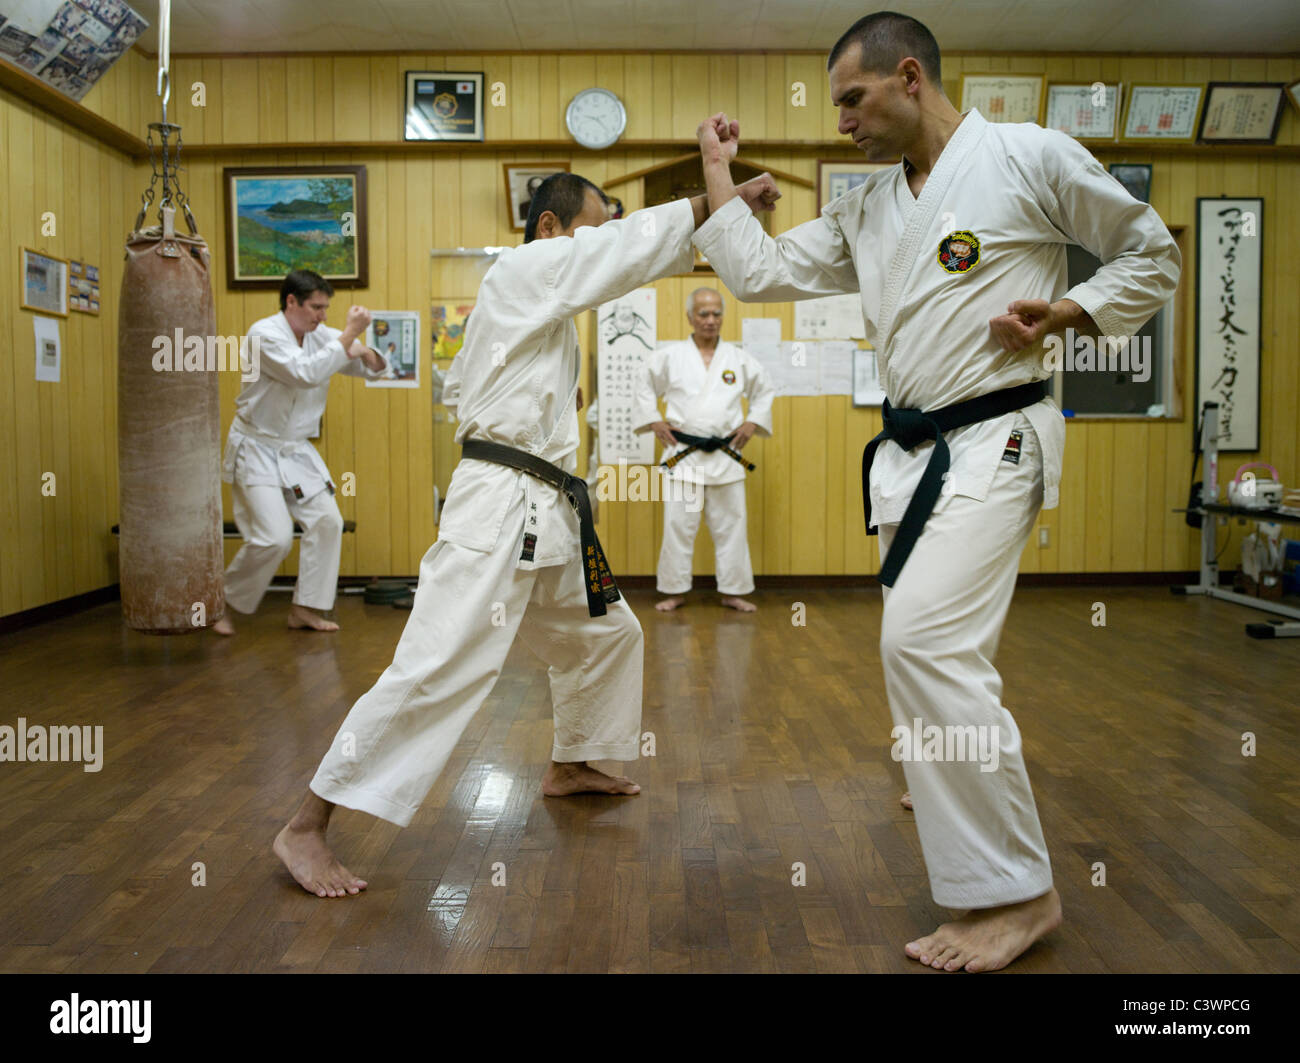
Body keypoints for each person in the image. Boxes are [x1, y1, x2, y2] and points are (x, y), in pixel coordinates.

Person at [691, 11, 1179, 971]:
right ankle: (950, 772)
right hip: (911, 454)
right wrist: (714, 171)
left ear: (909, 77)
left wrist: (1073, 309)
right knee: (937, 656)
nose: (841, 122)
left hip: (997, 435)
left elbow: (1150, 251)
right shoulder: (870, 208)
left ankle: (1017, 894)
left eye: (852, 99)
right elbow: (760, 273)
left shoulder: (1028, 157)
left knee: (922, 640)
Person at [274, 171, 780, 898]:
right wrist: (711, 204)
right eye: (590, 229)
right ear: (549, 228)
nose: (599, 245)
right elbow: (621, 252)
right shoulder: (519, 271)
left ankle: (574, 760)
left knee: (605, 633)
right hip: (498, 501)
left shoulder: (542, 312)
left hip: (549, 505)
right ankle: (307, 825)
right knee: (437, 665)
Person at [214, 270, 387, 636]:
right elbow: (304, 373)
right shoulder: (263, 334)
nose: (323, 316)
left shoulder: (320, 336)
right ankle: (221, 602)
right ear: (291, 301)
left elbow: (366, 368)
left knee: (327, 523)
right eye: (316, 307)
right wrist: (350, 336)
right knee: (273, 538)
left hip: (295, 450)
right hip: (256, 446)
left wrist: (368, 354)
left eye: (326, 308)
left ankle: (305, 608)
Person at [633, 287, 774, 612]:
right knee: (678, 527)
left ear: (722, 316)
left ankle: (733, 590)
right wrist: (654, 420)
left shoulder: (738, 359)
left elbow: (764, 389)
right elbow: (643, 383)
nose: (710, 320)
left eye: (716, 314)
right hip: (685, 456)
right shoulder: (670, 357)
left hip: (726, 456)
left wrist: (752, 422)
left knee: (731, 527)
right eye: (703, 314)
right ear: (690, 317)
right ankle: (674, 589)